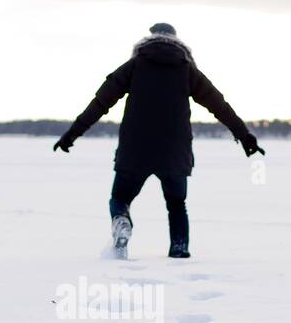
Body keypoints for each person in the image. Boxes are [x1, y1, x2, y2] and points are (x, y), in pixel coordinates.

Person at [53, 22, 264, 258]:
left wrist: (72, 134)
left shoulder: (135, 65)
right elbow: (219, 105)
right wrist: (244, 136)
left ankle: (122, 221)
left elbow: (101, 102)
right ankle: (179, 249)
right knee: (176, 205)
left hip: (135, 149)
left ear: (149, 38)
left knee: (120, 198)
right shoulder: (187, 69)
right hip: (175, 152)